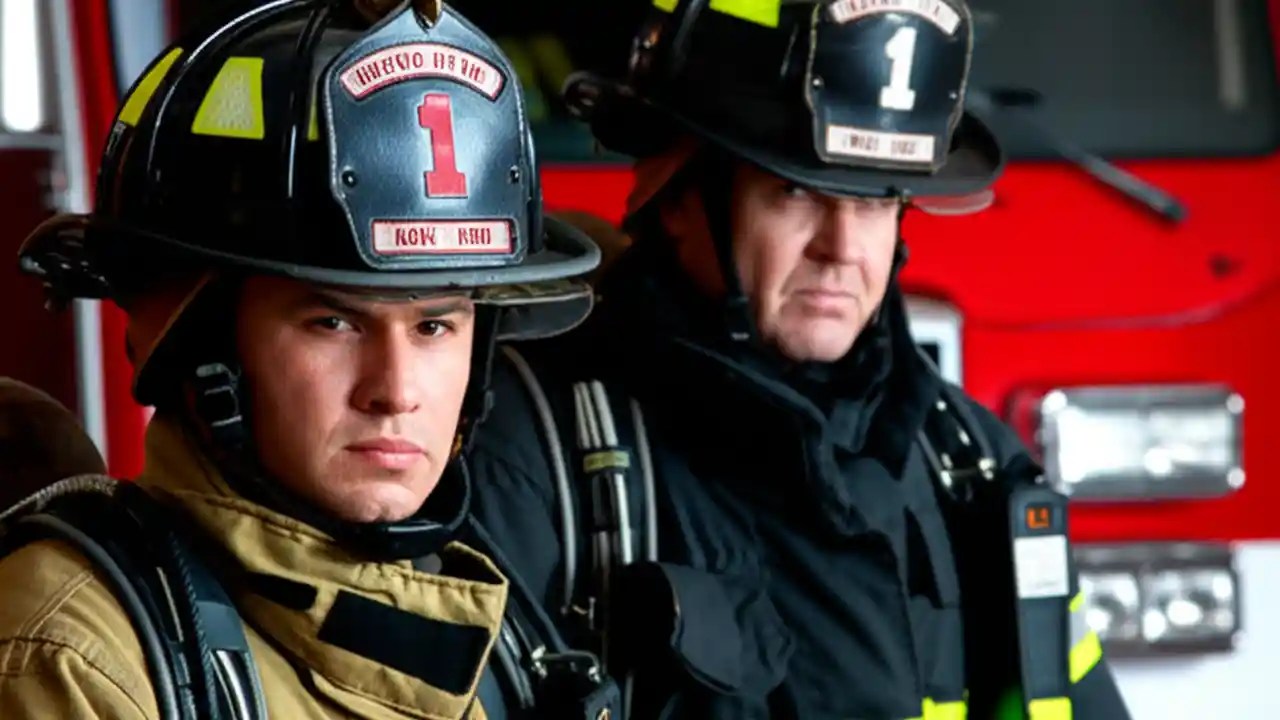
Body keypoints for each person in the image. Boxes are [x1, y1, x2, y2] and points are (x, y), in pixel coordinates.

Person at [469, 1, 1134, 718]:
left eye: (877, 201)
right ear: (677, 198)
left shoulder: (964, 458)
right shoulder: (532, 460)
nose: (843, 248)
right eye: (795, 191)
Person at [0, 1, 616, 718]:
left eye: (436, 327)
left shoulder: (489, 634)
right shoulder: (76, 655)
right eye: (333, 322)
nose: (396, 392)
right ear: (203, 349)